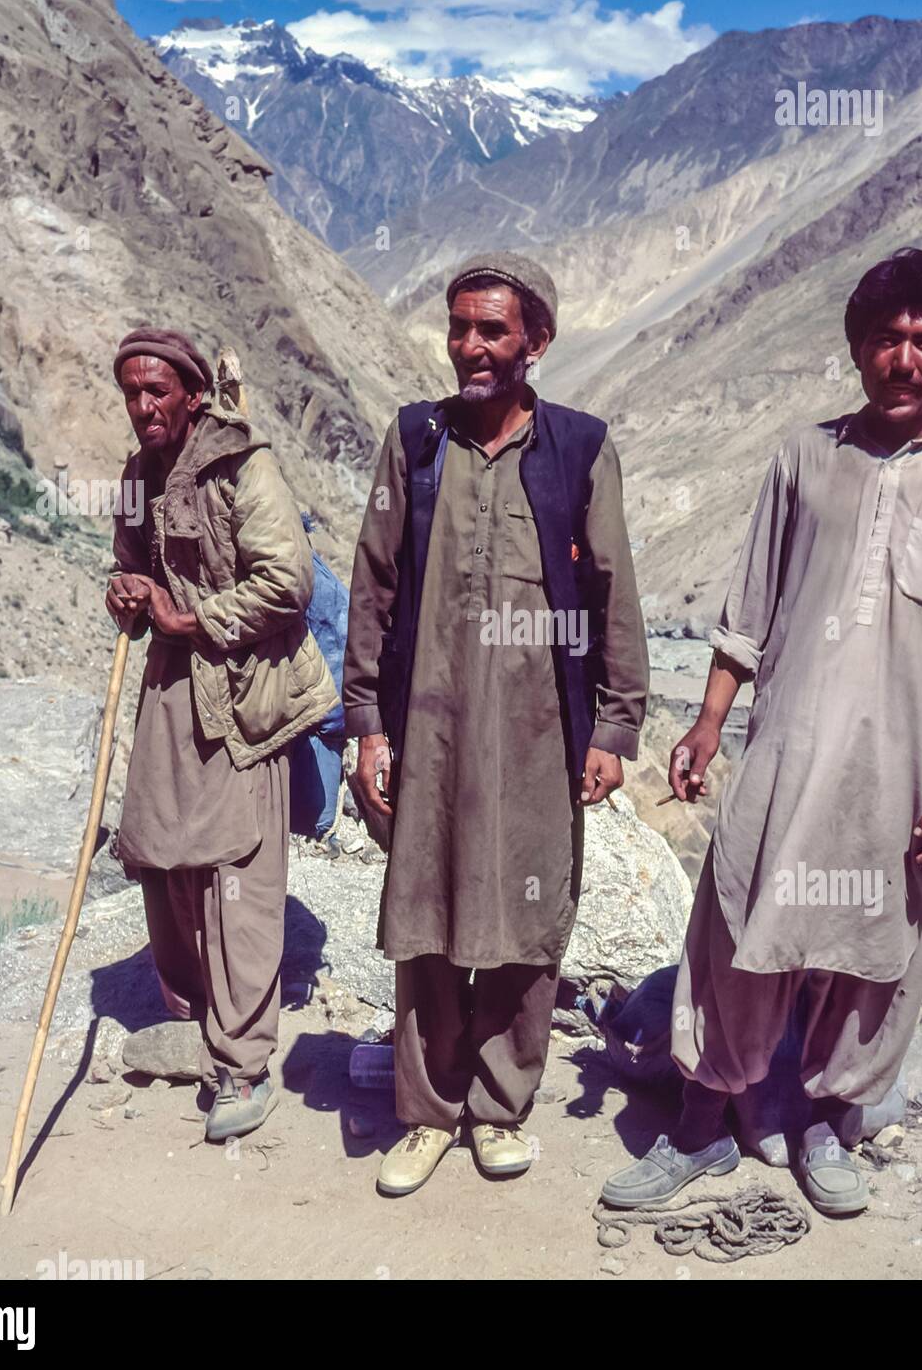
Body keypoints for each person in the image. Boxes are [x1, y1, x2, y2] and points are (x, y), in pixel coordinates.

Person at [601, 248, 922, 1216]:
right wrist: (708, 721)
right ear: (856, 350)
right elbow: (746, 608)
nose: (902, 358)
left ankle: (830, 1125)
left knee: (873, 952)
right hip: (785, 751)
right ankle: (703, 1122)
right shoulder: (802, 455)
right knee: (742, 926)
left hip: (901, 772)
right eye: (885, 338)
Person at [344, 254, 649, 1195]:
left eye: (493, 331)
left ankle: (501, 1104)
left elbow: (612, 593)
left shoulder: (579, 448)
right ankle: (430, 1110)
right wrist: (366, 720)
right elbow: (374, 582)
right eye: (459, 328)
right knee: (427, 913)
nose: (470, 347)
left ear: (536, 342)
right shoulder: (416, 442)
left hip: (535, 732)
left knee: (526, 918)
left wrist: (614, 726)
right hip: (428, 724)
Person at [107, 327, 337, 1142]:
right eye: (131, 393)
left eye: (156, 392)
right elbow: (128, 559)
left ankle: (244, 1061)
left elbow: (289, 582)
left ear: (193, 394)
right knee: (159, 850)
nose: (142, 408)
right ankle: (193, 1016)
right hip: (172, 689)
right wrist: (128, 593)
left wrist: (190, 615)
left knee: (237, 869)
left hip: (246, 693)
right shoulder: (139, 476)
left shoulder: (245, 465)